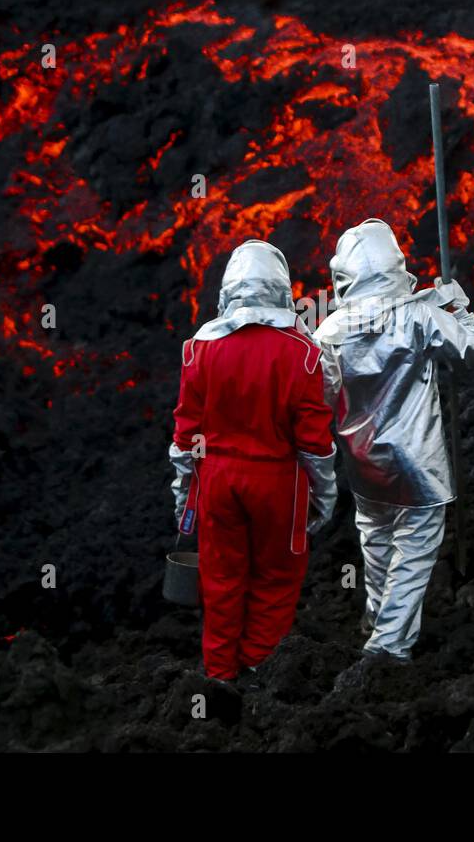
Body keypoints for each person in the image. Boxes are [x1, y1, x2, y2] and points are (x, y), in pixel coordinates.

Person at [313, 219, 474, 662]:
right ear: (395, 264)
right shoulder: (417, 316)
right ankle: (387, 649)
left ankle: (375, 618)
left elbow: (319, 397)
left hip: (363, 464)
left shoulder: (327, 333)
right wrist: (460, 308)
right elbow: (471, 354)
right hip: (418, 463)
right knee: (413, 551)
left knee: (377, 541)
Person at [168, 240, 337, 683]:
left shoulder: (198, 349)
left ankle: (219, 677)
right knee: (275, 579)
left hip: (217, 482)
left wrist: (183, 493)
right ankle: (261, 674)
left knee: (221, 580)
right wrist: (324, 497)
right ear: (281, 289)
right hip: (278, 483)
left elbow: (187, 437)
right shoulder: (303, 353)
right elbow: (315, 443)